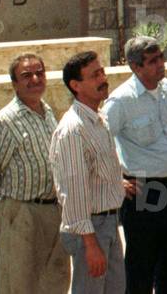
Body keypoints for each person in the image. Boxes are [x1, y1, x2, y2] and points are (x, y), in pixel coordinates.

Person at [103, 37, 167, 294]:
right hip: (144, 189)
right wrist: (116, 179)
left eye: (161, 57)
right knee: (141, 267)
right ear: (135, 67)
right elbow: (98, 142)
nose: (160, 65)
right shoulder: (121, 101)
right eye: (152, 61)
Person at [0, 53, 70, 294]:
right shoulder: (3, 122)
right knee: (20, 284)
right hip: (23, 214)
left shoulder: (48, 112)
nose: (35, 79)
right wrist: (16, 199)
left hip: (54, 210)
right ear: (14, 83)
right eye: (26, 75)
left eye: (39, 73)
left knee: (55, 280)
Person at [50, 51, 130, 294]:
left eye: (102, 72)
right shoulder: (74, 130)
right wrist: (90, 243)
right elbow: (73, 192)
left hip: (107, 224)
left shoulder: (97, 118)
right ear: (75, 85)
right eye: (95, 75)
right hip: (90, 229)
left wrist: (117, 184)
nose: (102, 78)